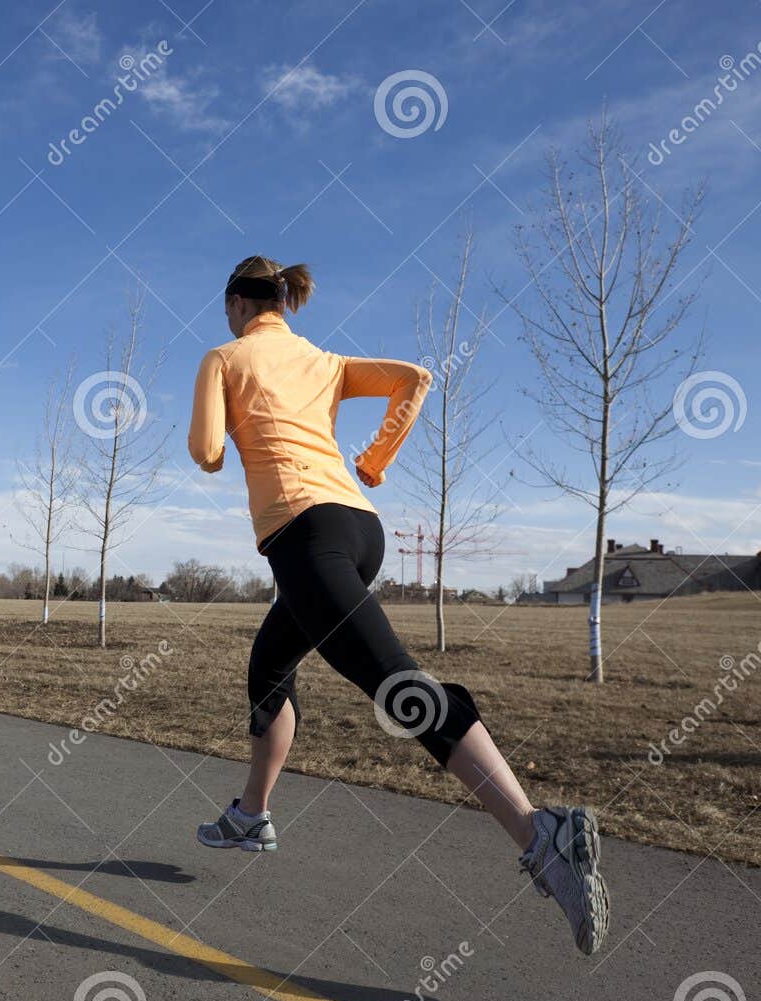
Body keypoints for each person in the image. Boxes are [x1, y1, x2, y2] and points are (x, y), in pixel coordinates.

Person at [186, 254, 610, 955]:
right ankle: (251, 814)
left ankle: (543, 835)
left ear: (237, 302)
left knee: (400, 688)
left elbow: (205, 452)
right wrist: (377, 460)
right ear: (284, 303)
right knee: (269, 668)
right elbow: (415, 378)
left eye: (227, 308)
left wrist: (223, 432)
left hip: (304, 535)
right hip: (360, 529)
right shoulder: (322, 359)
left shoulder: (224, 356)